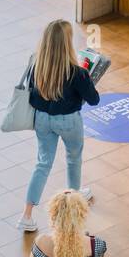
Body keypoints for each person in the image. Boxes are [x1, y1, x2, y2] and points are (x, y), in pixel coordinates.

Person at [18, 19, 100, 232]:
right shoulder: (77, 73)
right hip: (68, 121)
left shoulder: (36, 65)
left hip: (42, 120)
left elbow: (33, 96)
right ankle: (73, 206)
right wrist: (88, 79)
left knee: (42, 164)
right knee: (73, 158)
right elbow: (94, 100)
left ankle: (26, 216)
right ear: (67, 43)